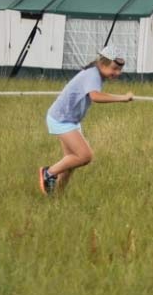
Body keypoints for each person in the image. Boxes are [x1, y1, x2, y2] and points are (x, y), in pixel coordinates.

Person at [38, 46, 134, 196]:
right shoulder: (92, 75)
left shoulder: (97, 74)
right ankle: (48, 173)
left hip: (70, 120)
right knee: (84, 156)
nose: (117, 73)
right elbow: (95, 96)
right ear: (102, 64)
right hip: (61, 120)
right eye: (114, 69)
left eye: (120, 70)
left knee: (70, 162)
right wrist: (122, 98)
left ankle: (57, 196)